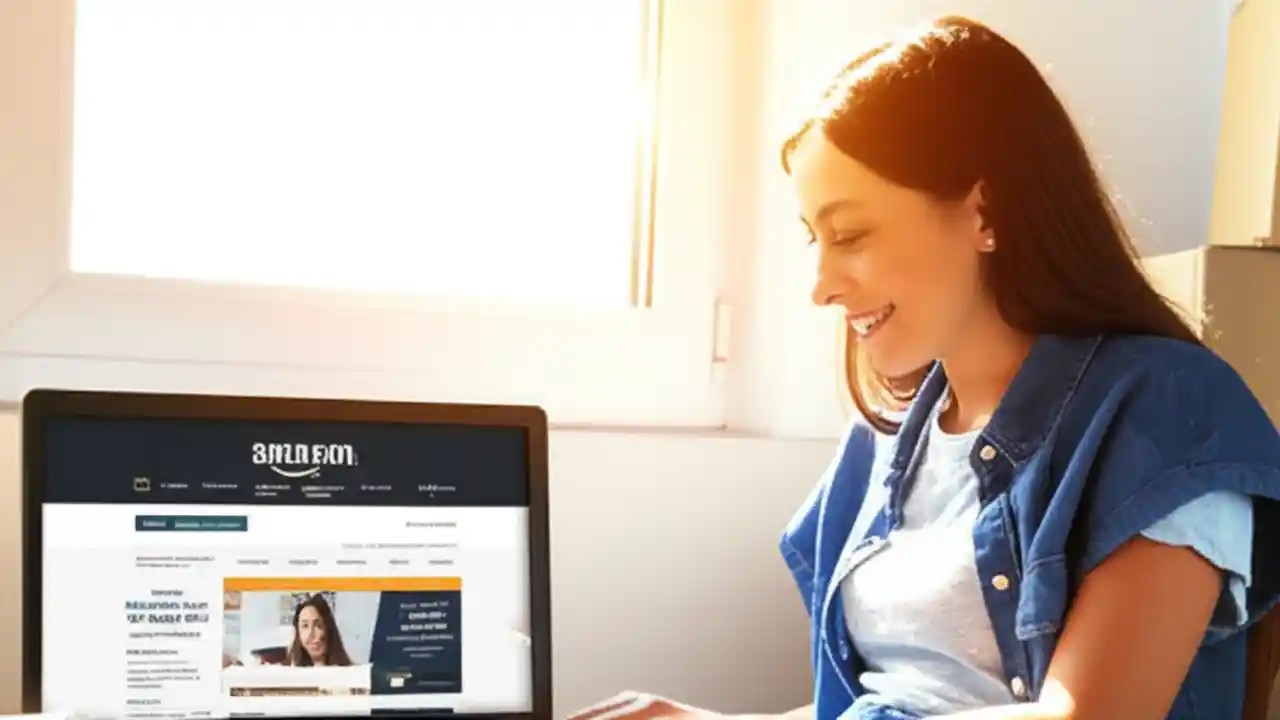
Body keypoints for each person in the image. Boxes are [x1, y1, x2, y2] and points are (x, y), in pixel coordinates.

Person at [569, 14, 1280, 720]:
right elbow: (897, 701)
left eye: (850, 233)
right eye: (813, 238)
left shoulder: (1169, 410)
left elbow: (1089, 716)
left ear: (984, 209)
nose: (820, 284)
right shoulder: (881, 445)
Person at [287, 593, 354, 667]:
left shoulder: (351, 672)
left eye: (318, 626)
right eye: (305, 626)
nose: (311, 633)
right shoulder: (288, 672)